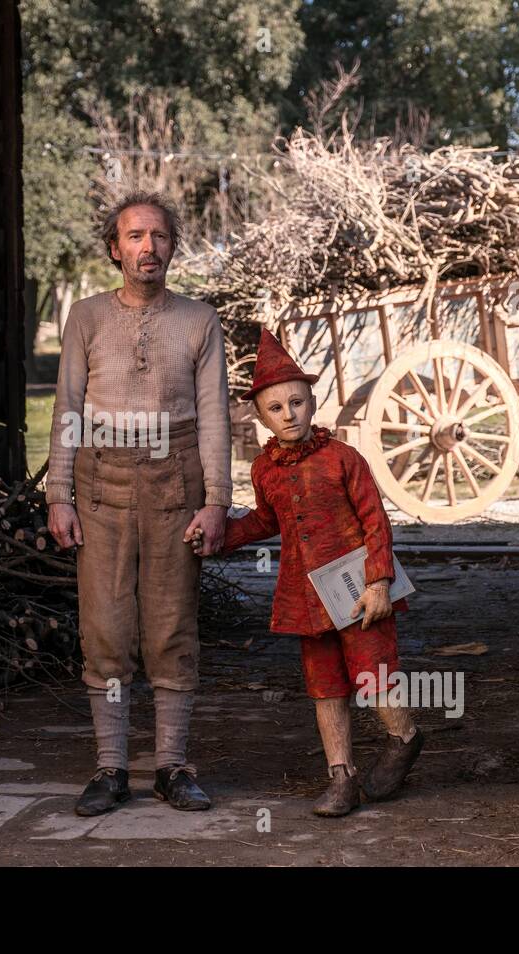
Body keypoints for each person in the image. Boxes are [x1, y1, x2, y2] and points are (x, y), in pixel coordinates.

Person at [46, 191, 232, 816]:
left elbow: (214, 418)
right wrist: (59, 494)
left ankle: (173, 767)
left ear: (173, 246)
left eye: (159, 236)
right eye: (134, 236)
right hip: (101, 485)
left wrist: (217, 502)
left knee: (172, 626)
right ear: (114, 248)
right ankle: (110, 769)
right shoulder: (86, 317)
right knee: (105, 628)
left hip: (175, 484)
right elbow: (68, 408)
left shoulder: (200, 320)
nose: (148, 247)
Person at [202, 328, 423, 817]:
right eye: (275, 408)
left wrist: (379, 580)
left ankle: (403, 736)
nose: (289, 414)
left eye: (297, 403)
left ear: (313, 402)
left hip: (360, 590)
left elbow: (375, 521)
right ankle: (341, 779)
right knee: (324, 684)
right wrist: (221, 535)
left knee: (374, 677)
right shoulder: (264, 470)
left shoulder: (343, 459)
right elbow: (265, 519)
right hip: (307, 598)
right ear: (260, 416)